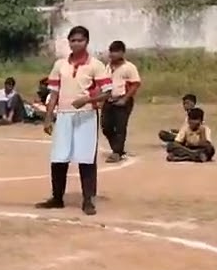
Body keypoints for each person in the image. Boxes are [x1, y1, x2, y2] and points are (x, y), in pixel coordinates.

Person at [39, 25, 111, 215]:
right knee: (59, 157)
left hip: (86, 115)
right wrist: (48, 117)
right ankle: (57, 197)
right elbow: (54, 93)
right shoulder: (60, 65)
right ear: (69, 42)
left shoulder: (95, 65)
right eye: (73, 40)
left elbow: (108, 92)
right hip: (64, 114)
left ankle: (88, 200)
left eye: (80, 40)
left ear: (87, 42)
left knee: (86, 158)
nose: (76, 43)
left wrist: (87, 100)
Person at [101, 40, 141, 163]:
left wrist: (125, 99)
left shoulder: (129, 67)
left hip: (123, 100)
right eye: (111, 51)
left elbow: (135, 84)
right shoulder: (107, 67)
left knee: (120, 127)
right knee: (106, 126)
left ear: (122, 53)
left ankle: (117, 152)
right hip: (109, 100)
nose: (112, 54)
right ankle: (117, 148)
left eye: (116, 51)